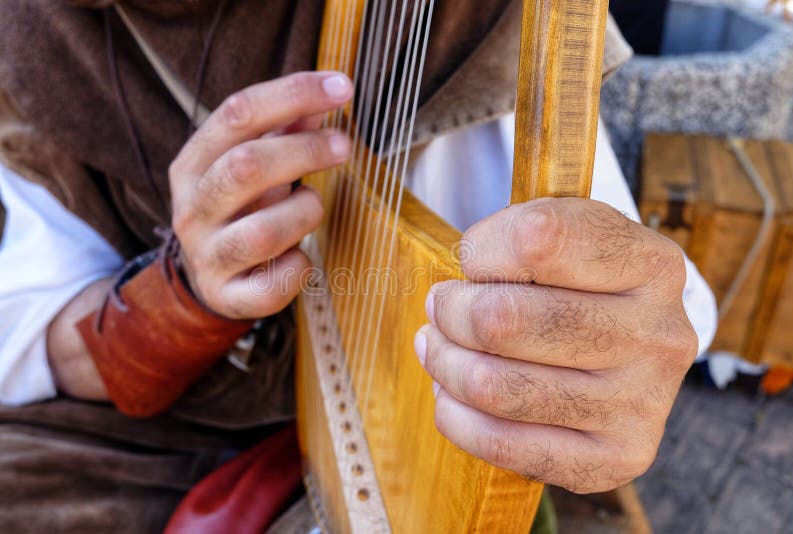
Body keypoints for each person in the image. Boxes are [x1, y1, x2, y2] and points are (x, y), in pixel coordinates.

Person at [0, 1, 717, 532]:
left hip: (407, 440)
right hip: (148, 437)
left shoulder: (446, 21)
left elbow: (628, 291)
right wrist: (188, 290)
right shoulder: (29, 39)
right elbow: (36, 331)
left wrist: (610, 351)